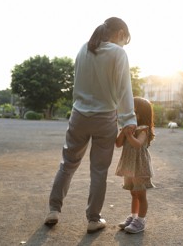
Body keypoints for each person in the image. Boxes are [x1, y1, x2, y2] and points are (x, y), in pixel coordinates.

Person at [44, 17, 137, 234]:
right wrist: (128, 121)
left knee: (67, 164)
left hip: (78, 115)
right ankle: (93, 219)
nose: (124, 44)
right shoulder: (118, 52)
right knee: (98, 171)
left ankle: (53, 210)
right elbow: (124, 89)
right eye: (125, 39)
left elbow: (79, 83)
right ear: (121, 33)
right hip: (104, 117)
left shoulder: (83, 49)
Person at [115, 97, 156, 234]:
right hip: (129, 166)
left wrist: (129, 135)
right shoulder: (129, 127)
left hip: (140, 166)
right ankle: (133, 217)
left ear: (140, 113)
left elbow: (138, 145)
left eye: (133, 111)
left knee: (141, 194)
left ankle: (141, 220)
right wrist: (124, 131)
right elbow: (118, 143)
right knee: (133, 193)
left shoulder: (143, 129)